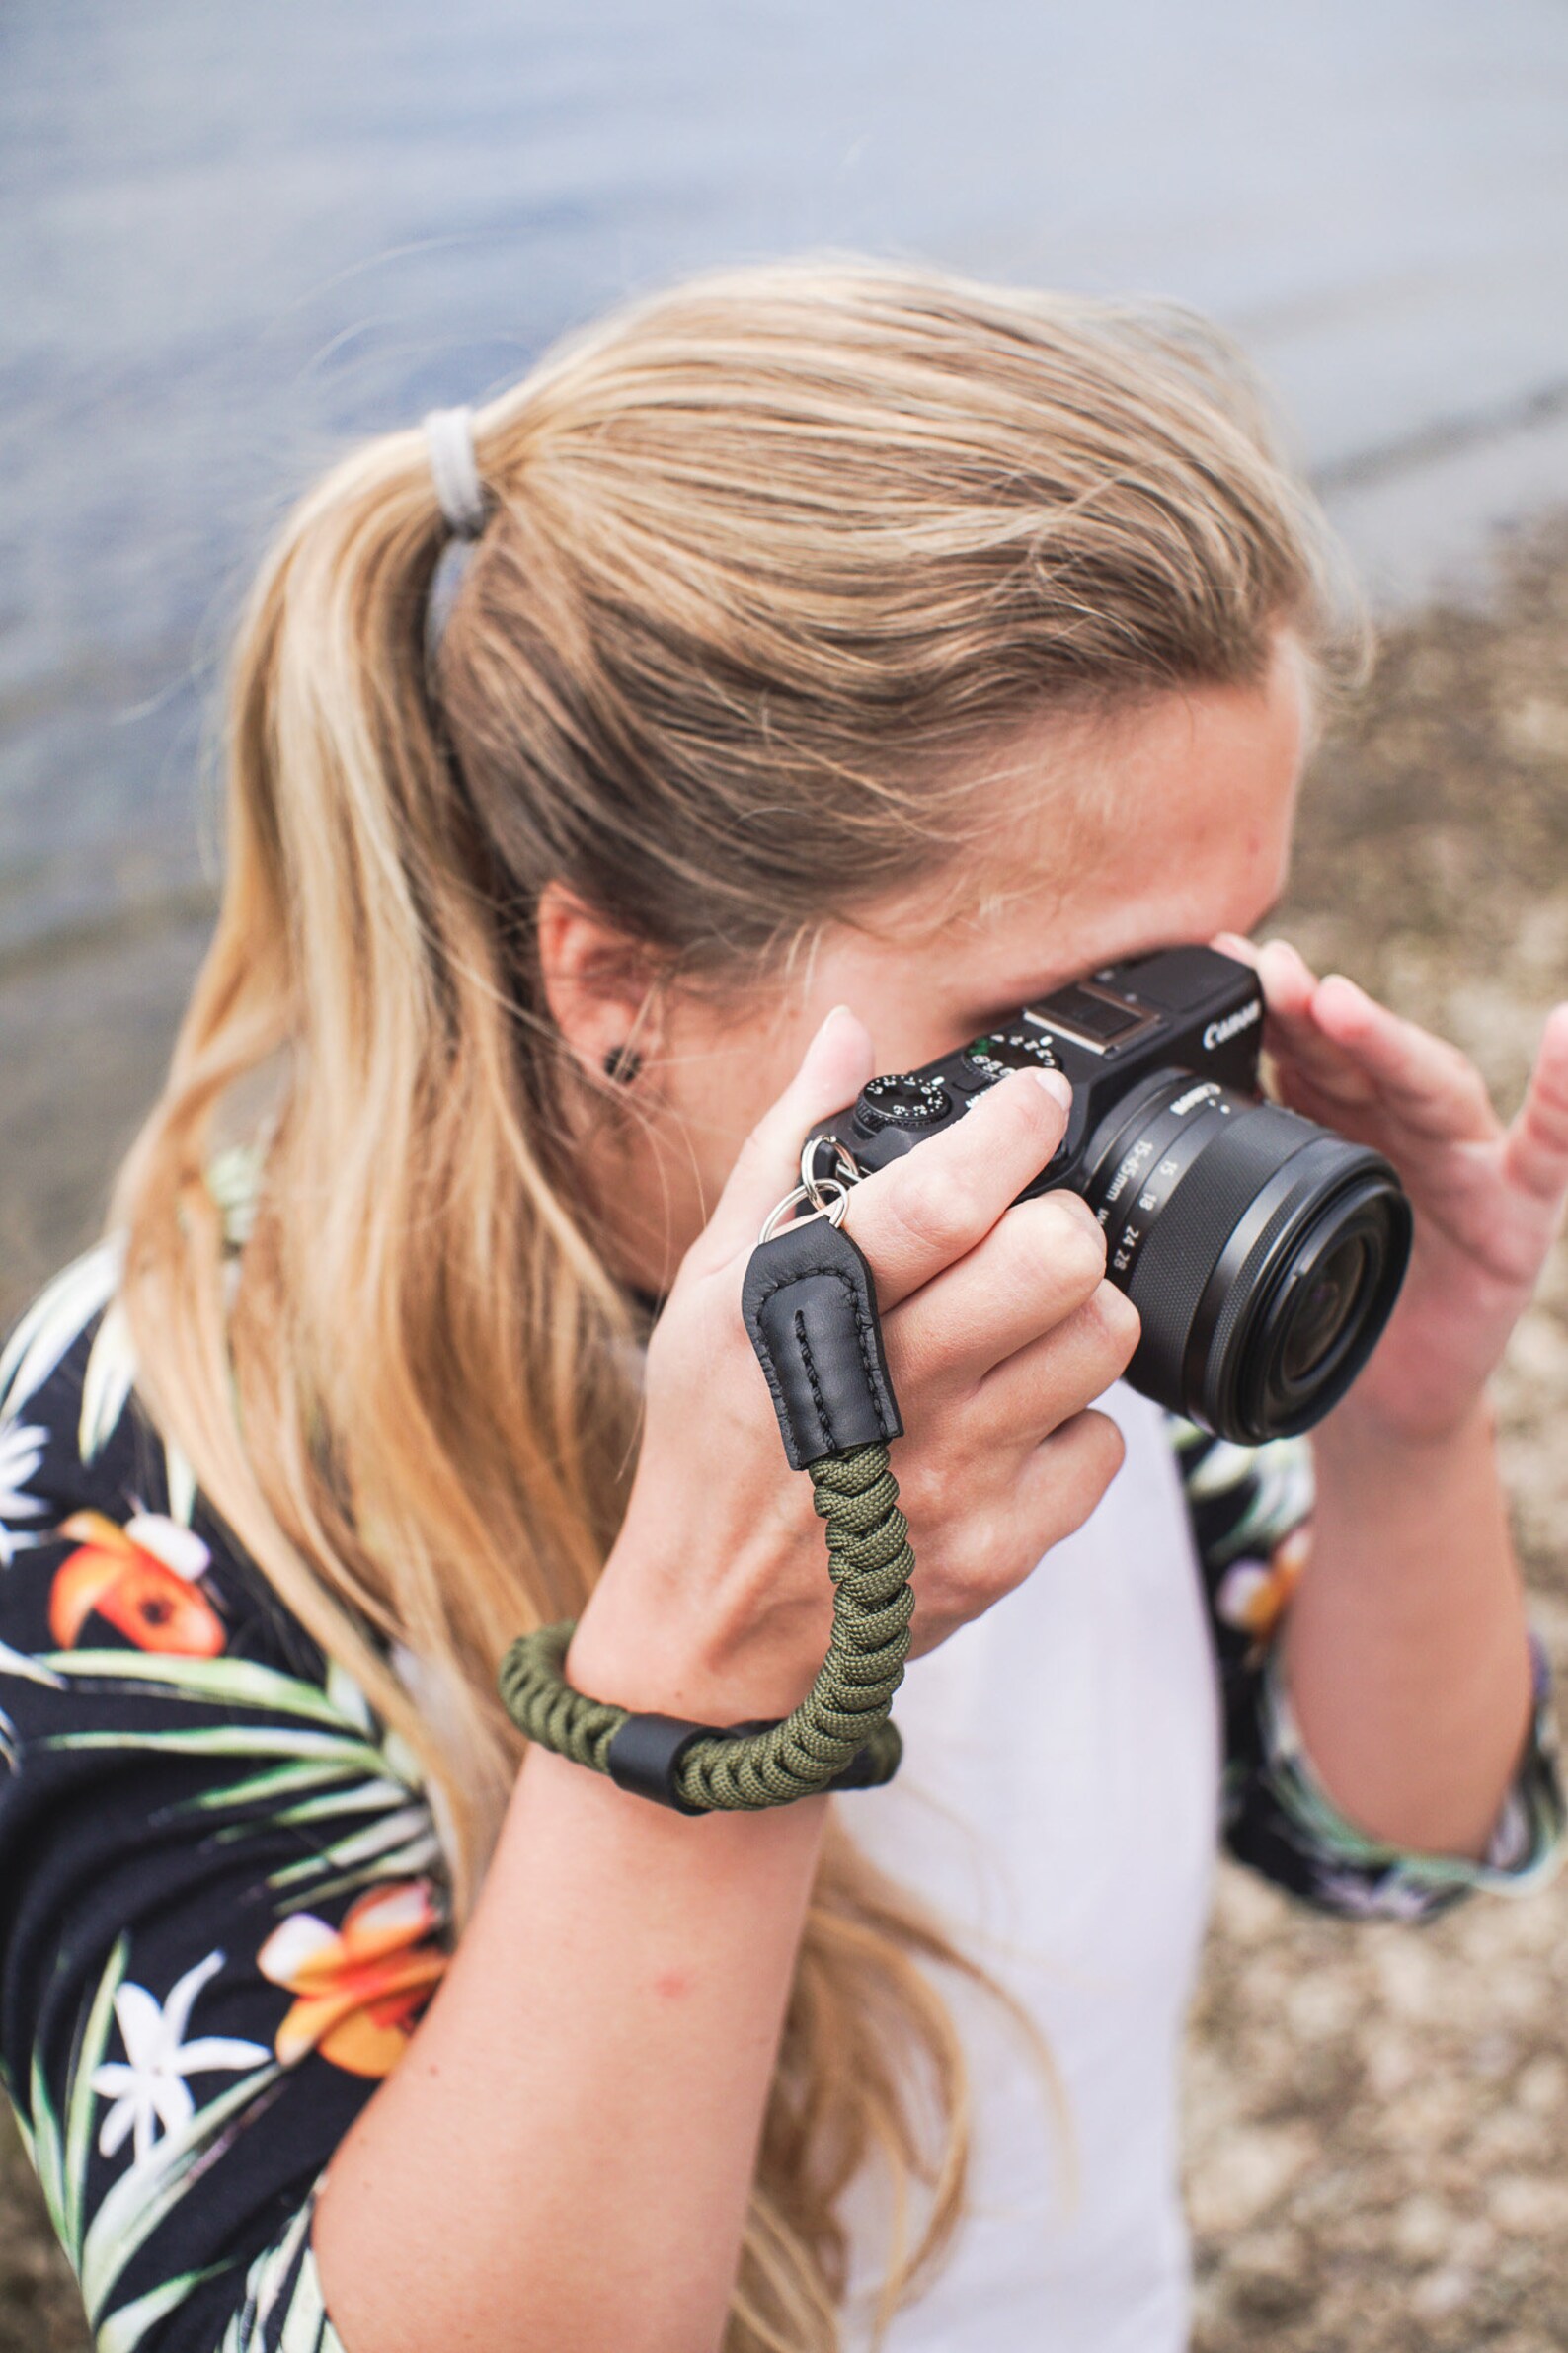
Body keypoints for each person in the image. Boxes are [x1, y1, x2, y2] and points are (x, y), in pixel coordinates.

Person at [0, 260, 1564, 2353]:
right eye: (1068, 1016)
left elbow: (1401, 1838)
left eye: (1212, 979)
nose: (1179, 1101)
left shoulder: (1061, 1265)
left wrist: (1400, 1426)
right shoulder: (161, 1467)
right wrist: (720, 1673)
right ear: (613, 982)